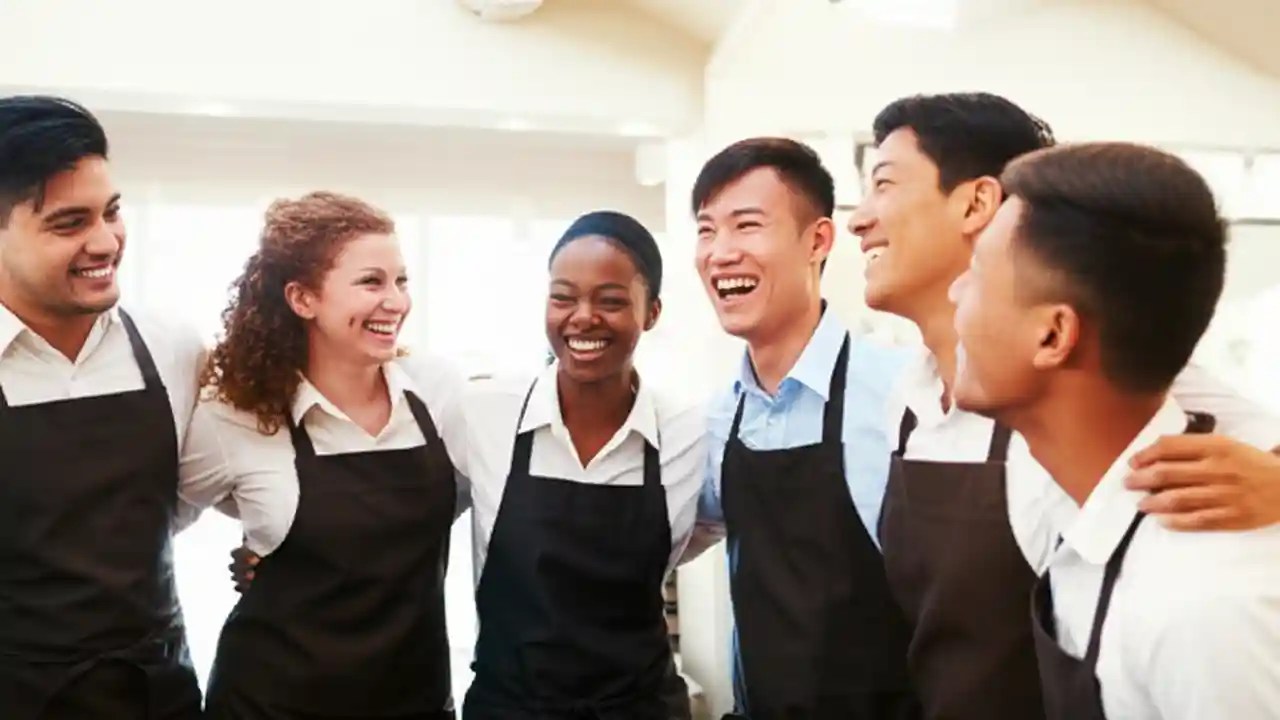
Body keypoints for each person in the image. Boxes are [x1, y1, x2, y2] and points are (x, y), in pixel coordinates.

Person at [850, 92, 1280, 720]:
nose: (861, 218)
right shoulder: (906, 401)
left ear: (977, 203)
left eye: (883, 184)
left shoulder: (1200, 606)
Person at [179, 191, 470, 719]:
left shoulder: (438, 391)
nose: (397, 301)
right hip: (269, 705)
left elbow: (492, 496)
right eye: (371, 282)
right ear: (303, 298)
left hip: (415, 703)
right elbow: (159, 515)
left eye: (401, 281)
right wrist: (267, 533)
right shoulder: (235, 414)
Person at [692, 138, 920, 719]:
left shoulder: (902, 392)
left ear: (818, 241)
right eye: (707, 231)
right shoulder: (719, 419)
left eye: (747, 226)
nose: (721, 252)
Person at [0, 95, 205, 718]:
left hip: (158, 690)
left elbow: (191, 497)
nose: (105, 241)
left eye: (112, 212)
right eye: (69, 223)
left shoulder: (171, 346)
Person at [460, 210, 704, 719]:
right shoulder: (483, 414)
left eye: (611, 301)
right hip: (511, 709)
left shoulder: (691, 436)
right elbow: (402, 507)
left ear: (652, 312)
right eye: (563, 297)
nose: (582, 317)